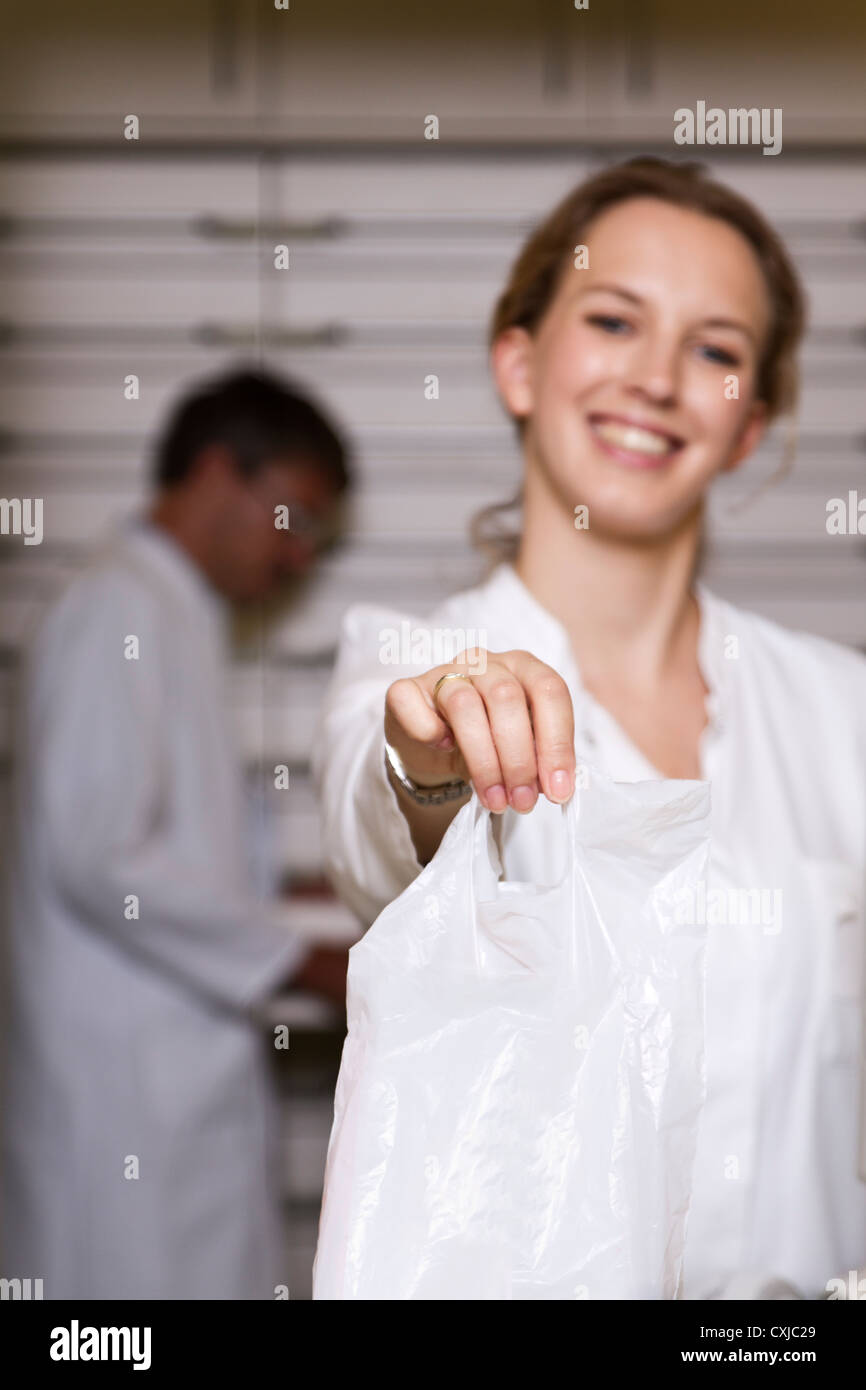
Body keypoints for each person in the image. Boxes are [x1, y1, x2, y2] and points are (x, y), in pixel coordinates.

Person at [312, 158, 866, 1300]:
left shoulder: (838, 708)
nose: (657, 378)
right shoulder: (404, 662)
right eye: (613, 320)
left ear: (748, 424)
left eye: (713, 349)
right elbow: (374, 821)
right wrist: (429, 768)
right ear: (517, 361)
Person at [1, 366, 352, 1299]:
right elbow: (98, 857)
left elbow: (191, 861)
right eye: (298, 518)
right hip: (120, 1106)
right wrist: (307, 964)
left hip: (179, 1090)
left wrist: (329, 902)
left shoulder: (177, 617)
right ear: (216, 472)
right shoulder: (115, 608)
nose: (301, 557)